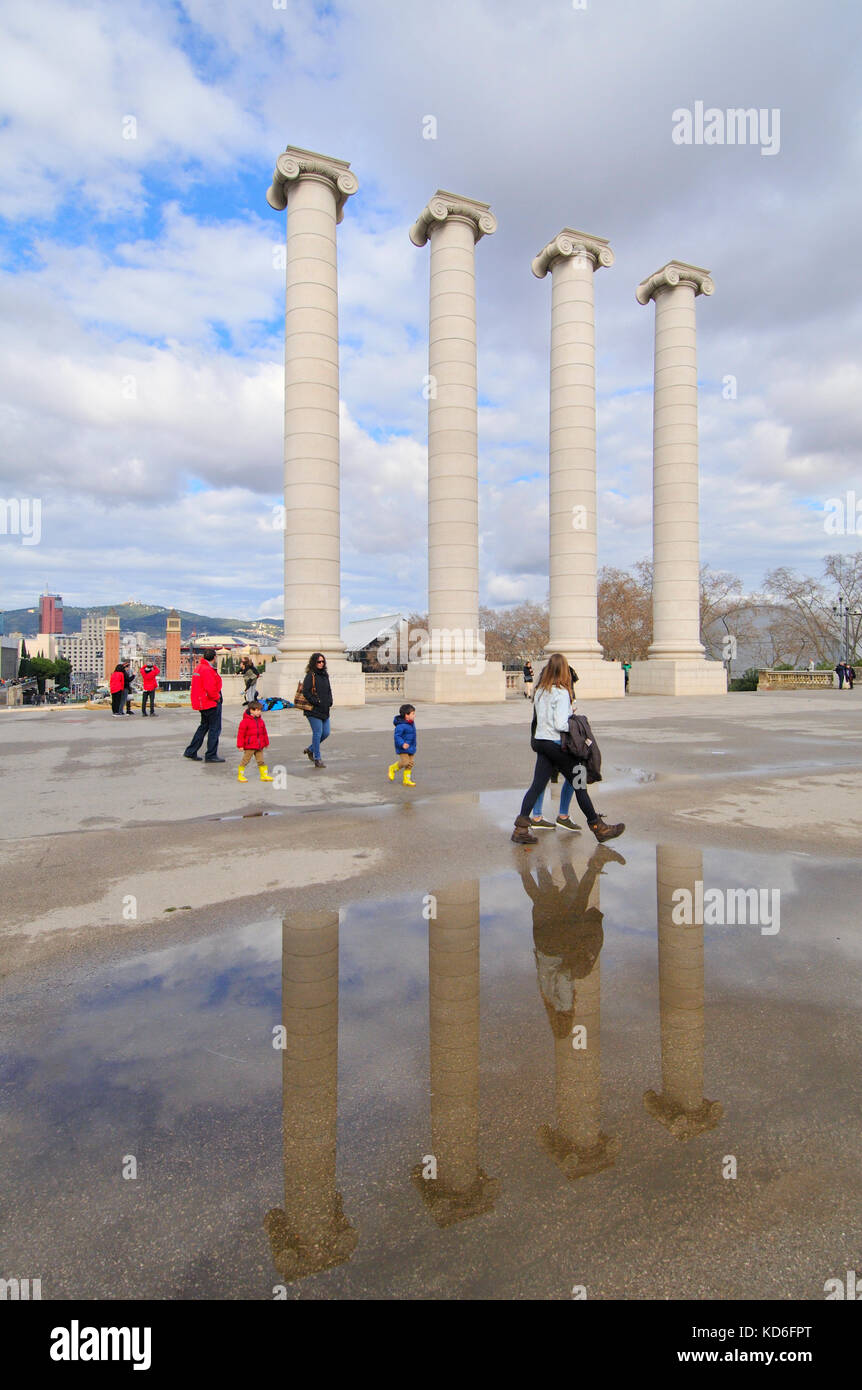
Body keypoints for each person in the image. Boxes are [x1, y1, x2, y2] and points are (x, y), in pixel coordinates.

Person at [511, 652, 624, 846]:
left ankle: (520, 828)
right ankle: (598, 827)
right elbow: (560, 724)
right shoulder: (561, 692)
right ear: (564, 670)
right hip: (557, 744)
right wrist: (572, 715)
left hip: (541, 742)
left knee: (537, 786)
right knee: (580, 784)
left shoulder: (540, 691)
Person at [183, 647, 224, 762]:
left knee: (203, 727)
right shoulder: (207, 670)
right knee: (214, 729)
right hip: (210, 703)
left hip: (202, 702)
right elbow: (210, 688)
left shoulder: (199, 667)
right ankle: (211, 755)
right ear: (214, 657)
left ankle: (191, 751)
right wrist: (217, 698)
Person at [300, 652, 332, 768]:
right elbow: (306, 692)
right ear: (314, 662)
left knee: (326, 732)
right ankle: (317, 759)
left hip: (324, 709)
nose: (321, 663)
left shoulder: (325, 675)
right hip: (313, 710)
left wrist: (330, 701)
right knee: (317, 733)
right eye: (319, 661)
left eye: (323, 661)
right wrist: (316, 702)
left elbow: (328, 689)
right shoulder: (310, 675)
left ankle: (310, 749)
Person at [236, 700, 275, 782]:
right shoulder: (245, 722)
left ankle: (264, 775)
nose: (258, 712)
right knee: (245, 761)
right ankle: (240, 775)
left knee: (261, 761)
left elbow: (264, 733)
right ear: (251, 710)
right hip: (250, 746)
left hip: (259, 745)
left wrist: (266, 743)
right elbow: (240, 734)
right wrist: (240, 745)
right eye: (256, 710)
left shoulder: (261, 721)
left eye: (259, 710)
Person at [388, 703, 417, 786]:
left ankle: (406, 780)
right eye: (413, 714)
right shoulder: (400, 726)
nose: (414, 715)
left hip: (411, 746)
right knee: (405, 762)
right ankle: (392, 768)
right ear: (406, 715)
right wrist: (402, 744)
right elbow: (397, 736)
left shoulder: (411, 723)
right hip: (403, 747)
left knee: (410, 764)